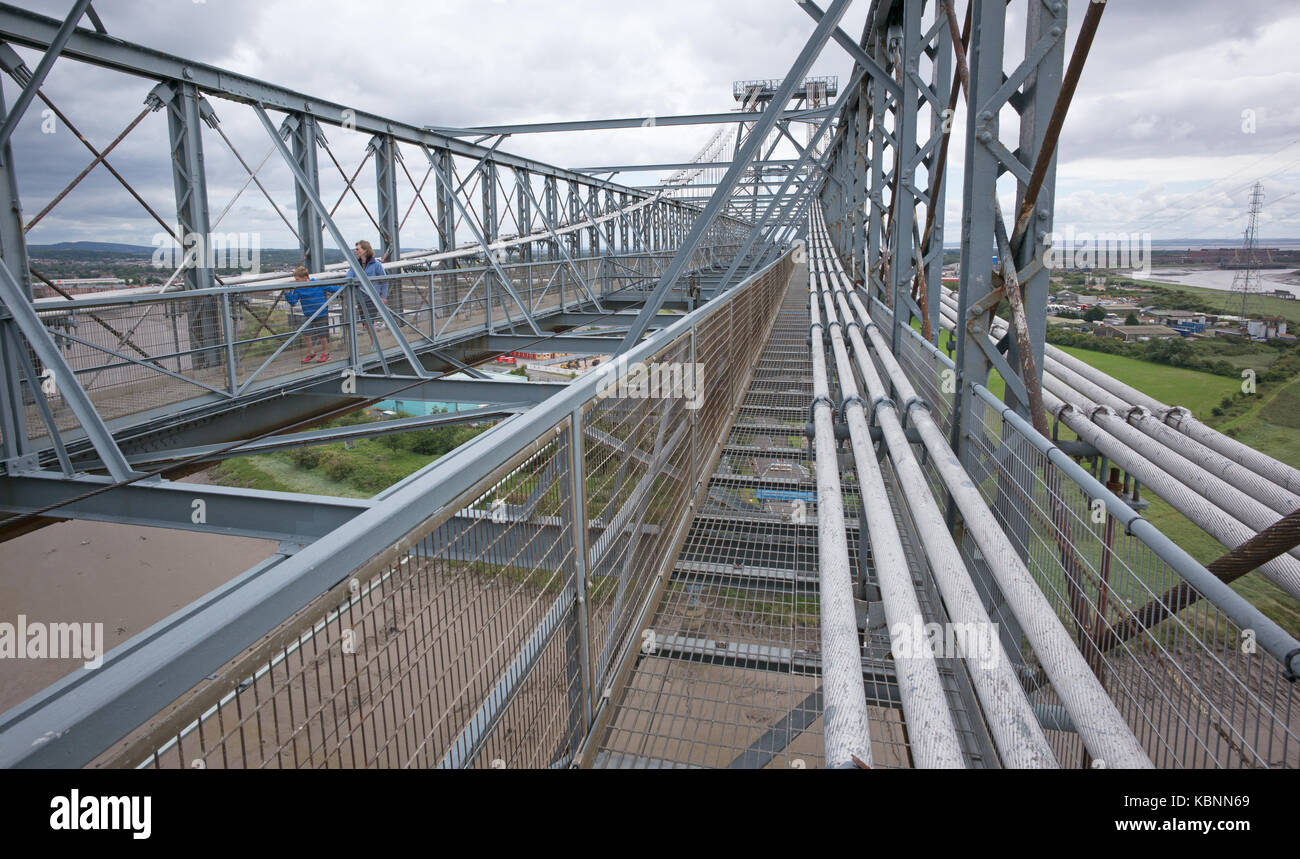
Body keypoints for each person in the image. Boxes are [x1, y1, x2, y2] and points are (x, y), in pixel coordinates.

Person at [283, 265, 339, 363]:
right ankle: (311, 352)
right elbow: (293, 302)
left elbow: (332, 288)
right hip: (308, 314)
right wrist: (287, 292)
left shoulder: (317, 283)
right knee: (305, 333)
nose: (296, 281)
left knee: (322, 335)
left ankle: (325, 353)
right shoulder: (298, 289)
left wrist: (345, 286)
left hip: (321, 313)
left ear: (305, 278)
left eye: (297, 279)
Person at [351, 240, 390, 328]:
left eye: (357, 249)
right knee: (366, 324)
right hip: (361, 298)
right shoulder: (355, 264)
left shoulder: (376, 264)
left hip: (373, 298)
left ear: (365, 250)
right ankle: (374, 341)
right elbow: (349, 275)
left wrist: (383, 296)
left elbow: (385, 280)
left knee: (369, 323)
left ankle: (375, 341)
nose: (355, 251)